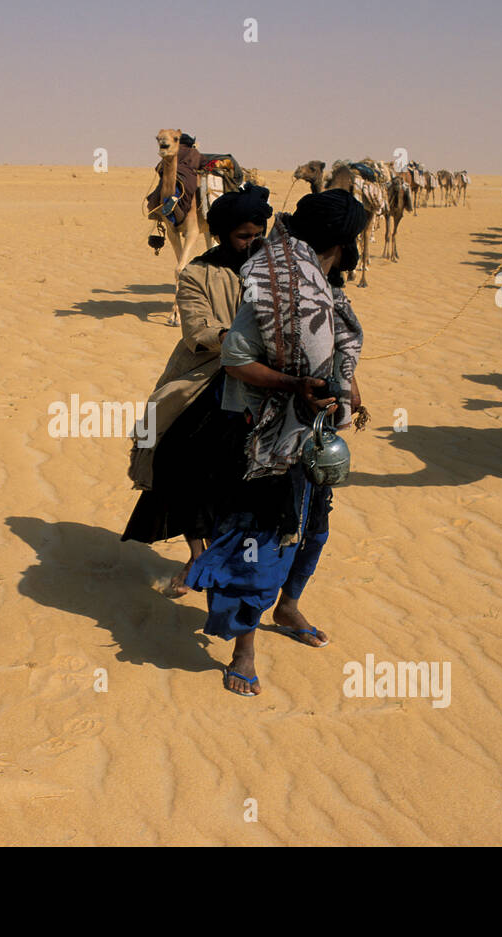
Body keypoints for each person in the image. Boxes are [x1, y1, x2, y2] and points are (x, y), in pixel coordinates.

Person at [184, 189, 368, 696]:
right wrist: (294, 387)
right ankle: (244, 649)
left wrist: (349, 388)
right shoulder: (270, 289)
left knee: (313, 534)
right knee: (257, 549)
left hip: (312, 437)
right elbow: (236, 360)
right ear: (345, 239)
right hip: (260, 438)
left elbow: (333, 351)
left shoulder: (324, 288)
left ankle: (286, 607)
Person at [122, 185, 273, 594]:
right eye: (245, 236)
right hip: (209, 371)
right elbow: (198, 330)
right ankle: (196, 553)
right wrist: (240, 342)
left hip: (270, 374)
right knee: (173, 454)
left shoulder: (275, 269)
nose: (253, 242)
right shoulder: (197, 274)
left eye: (259, 233)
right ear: (223, 234)